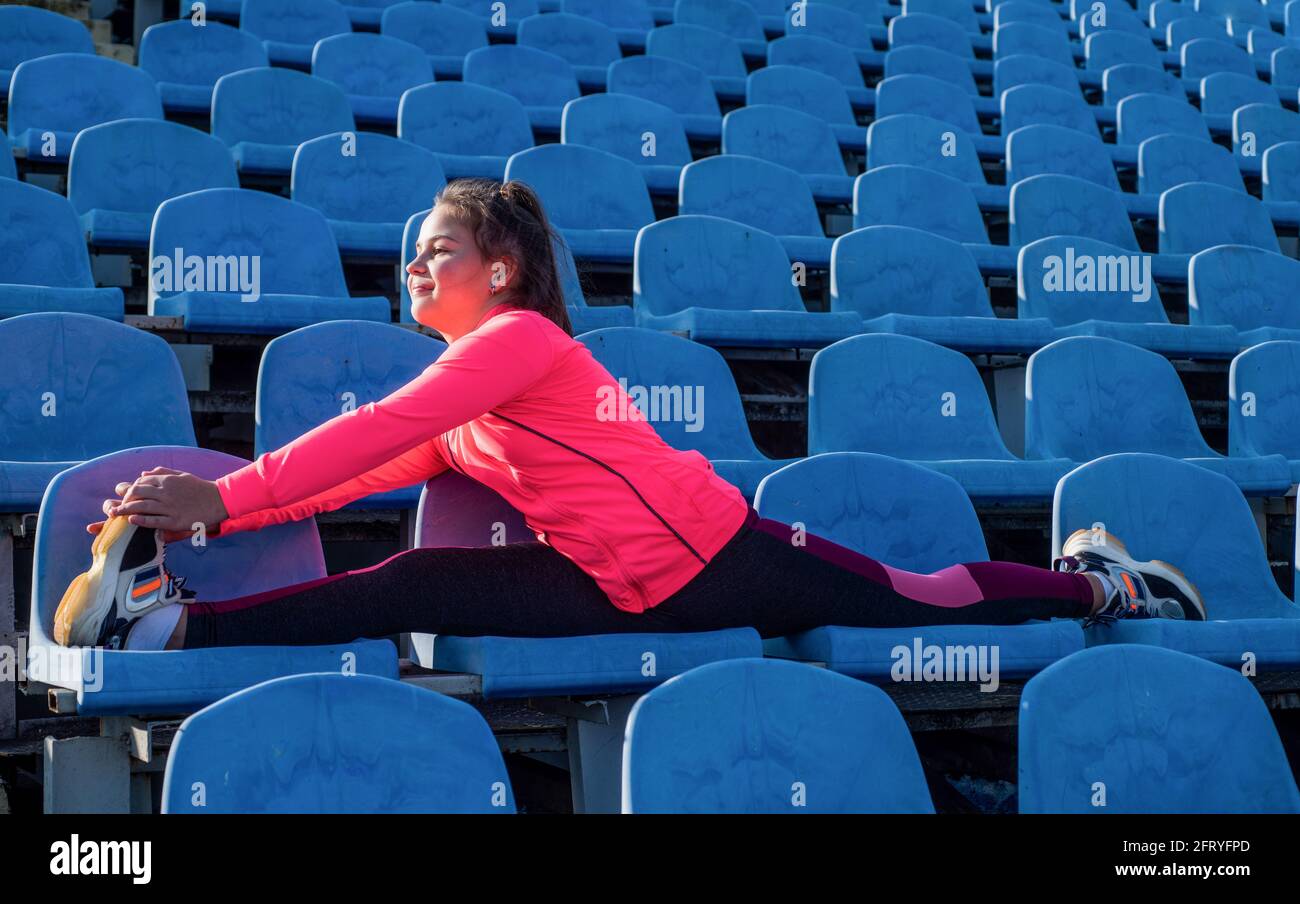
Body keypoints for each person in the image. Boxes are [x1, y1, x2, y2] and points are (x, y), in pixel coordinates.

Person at [52, 179, 1206, 652]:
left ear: (499, 270)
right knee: (404, 586)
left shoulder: (513, 345)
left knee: (915, 601)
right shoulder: (468, 393)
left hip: (718, 555)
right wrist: (213, 516)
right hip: (605, 581)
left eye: (435, 251)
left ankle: (1101, 580)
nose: (412, 268)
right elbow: (354, 473)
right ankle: (173, 626)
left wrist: (224, 490)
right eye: (406, 255)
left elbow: (372, 427)